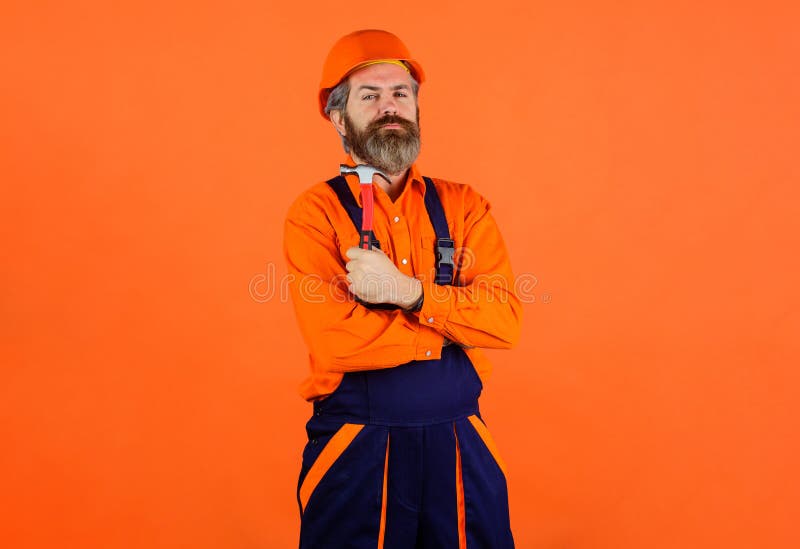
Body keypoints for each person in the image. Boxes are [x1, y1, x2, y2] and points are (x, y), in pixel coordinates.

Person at [283, 29, 522, 549]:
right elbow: (336, 341)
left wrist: (408, 293)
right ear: (338, 115)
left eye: (401, 93)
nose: (390, 106)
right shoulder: (315, 215)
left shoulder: (465, 207)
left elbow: (504, 320)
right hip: (355, 446)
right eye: (370, 96)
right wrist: (449, 329)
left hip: (460, 441)